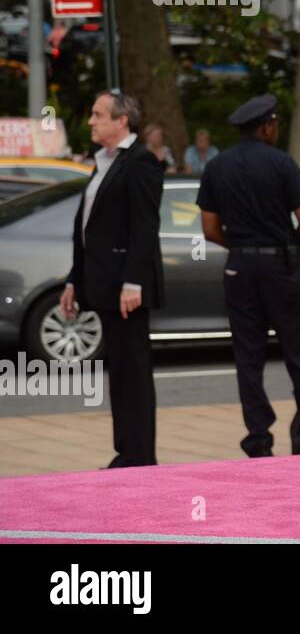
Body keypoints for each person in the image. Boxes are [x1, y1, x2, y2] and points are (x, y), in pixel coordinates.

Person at [196, 94, 300, 457]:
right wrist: (290, 244)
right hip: (283, 267)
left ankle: (258, 436)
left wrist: (241, 247)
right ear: (266, 126)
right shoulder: (281, 163)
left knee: (248, 356)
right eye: (275, 124)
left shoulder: (216, 167)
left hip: (240, 267)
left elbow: (210, 228)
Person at [61, 90, 164, 468]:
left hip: (126, 287)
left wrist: (134, 282)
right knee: (119, 371)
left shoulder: (140, 162)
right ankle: (127, 452)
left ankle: (139, 457)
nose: (91, 121)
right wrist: (75, 279)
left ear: (122, 121)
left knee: (133, 372)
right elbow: (88, 228)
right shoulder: (103, 161)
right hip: (102, 283)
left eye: (98, 114)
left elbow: (144, 227)